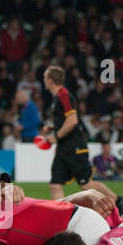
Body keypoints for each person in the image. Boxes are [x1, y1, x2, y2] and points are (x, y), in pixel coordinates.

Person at [43, 64, 93, 199]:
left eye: (45, 78)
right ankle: (60, 215)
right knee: (55, 184)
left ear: (50, 80)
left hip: (74, 145)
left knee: (86, 185)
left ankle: (117, 200)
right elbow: (65, 120)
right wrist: (53, 128)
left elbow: (72, 120)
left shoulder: (63, 95)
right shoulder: (57, 97)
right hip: (64, 146)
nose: (44, 81)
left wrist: (56, 136)